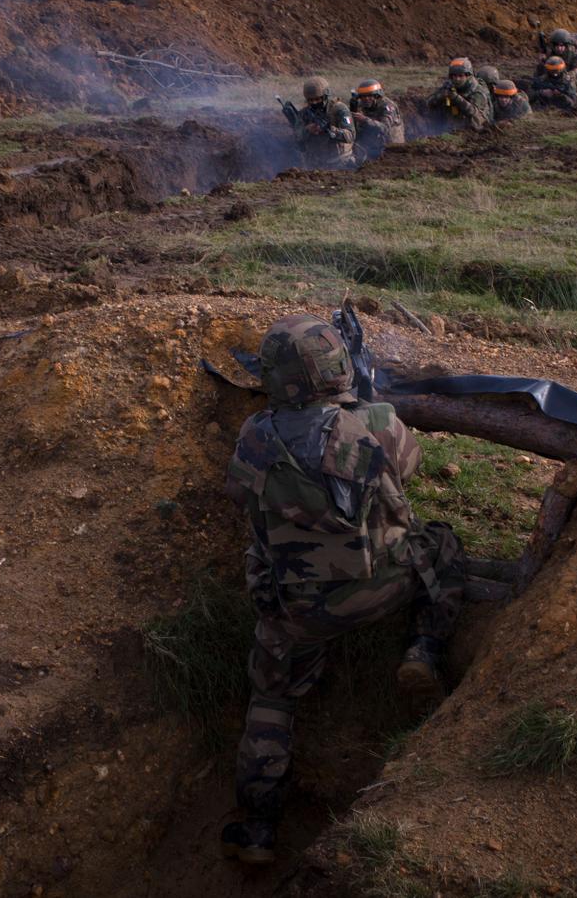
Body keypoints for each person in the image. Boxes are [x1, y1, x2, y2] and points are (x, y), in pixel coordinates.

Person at [221, 315, 464, 866]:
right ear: (339, 368)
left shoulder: (255, 436)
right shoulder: (377, 422)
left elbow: (239, 493)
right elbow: (412, 467)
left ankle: (257, 829)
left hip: (298, 611)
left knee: (272, 700)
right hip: (383, 585)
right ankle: (422, 651)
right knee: (442, 544)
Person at [284, 76, 356, 169]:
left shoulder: (339, 109)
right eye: (310, 100)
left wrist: (331, 130)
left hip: (340, 162)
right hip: (315, 164)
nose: (314, 103)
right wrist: (307, 130)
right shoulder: (304, 113)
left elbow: (351, 136)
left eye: (317, 99)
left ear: (325, 96)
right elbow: (297, 138)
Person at [347, 78, 405, 160]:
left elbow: (385, 128)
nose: (366, 99)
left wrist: (365, 120)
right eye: (363, 96)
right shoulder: (362, 105)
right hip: (374, 143)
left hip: (392, 146)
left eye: (370, 96)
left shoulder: (388, 106)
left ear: (377, 96)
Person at [433, 57, 493, 132]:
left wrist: (456, 98)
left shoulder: (478, 91)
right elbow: (429, 103)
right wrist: (441, 96)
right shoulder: (450, 85)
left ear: (468, 76)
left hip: (477, 125)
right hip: (452, 122)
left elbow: (474, 113)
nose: (457, 79)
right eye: (454, 76)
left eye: (461, 76)